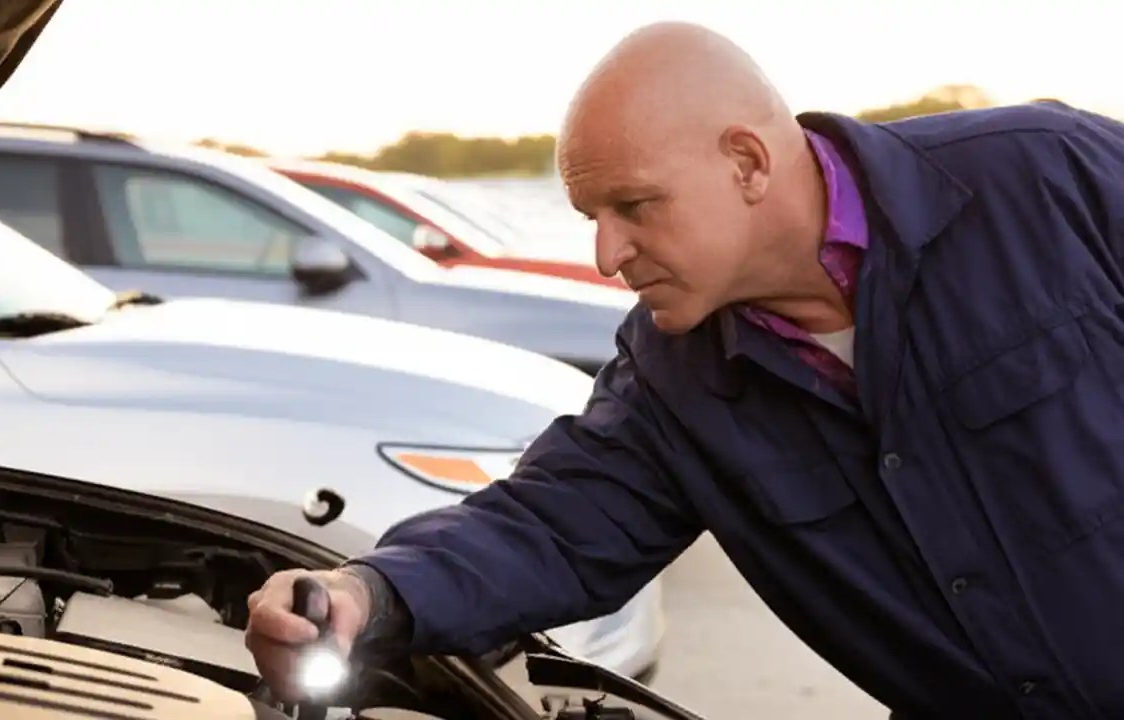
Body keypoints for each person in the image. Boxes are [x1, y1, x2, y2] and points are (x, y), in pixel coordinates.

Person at [246, 20, 1124, 719]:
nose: (605, 253)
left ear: (745, 161)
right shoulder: (673, 374)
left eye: (634, 206)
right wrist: (367, 593)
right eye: (591, 214)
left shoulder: (1051, 180)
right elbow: (550, 525)